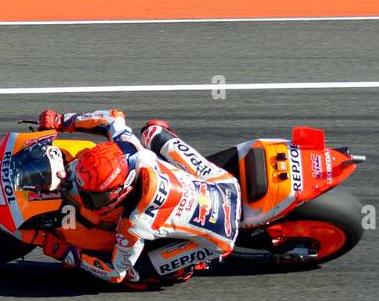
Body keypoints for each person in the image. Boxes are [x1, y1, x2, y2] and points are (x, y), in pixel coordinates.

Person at [34, 109, 240, 287]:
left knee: (133, 276)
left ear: (122, 190)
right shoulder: (129, 148)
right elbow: (112, 118)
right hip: (222, 183)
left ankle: (186, 268)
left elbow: (115, 272)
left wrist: (66, 252)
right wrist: (62, 121)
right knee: (153, 131)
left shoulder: (134, 223)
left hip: (221, 235)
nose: (85, 198)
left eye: (95, 197)